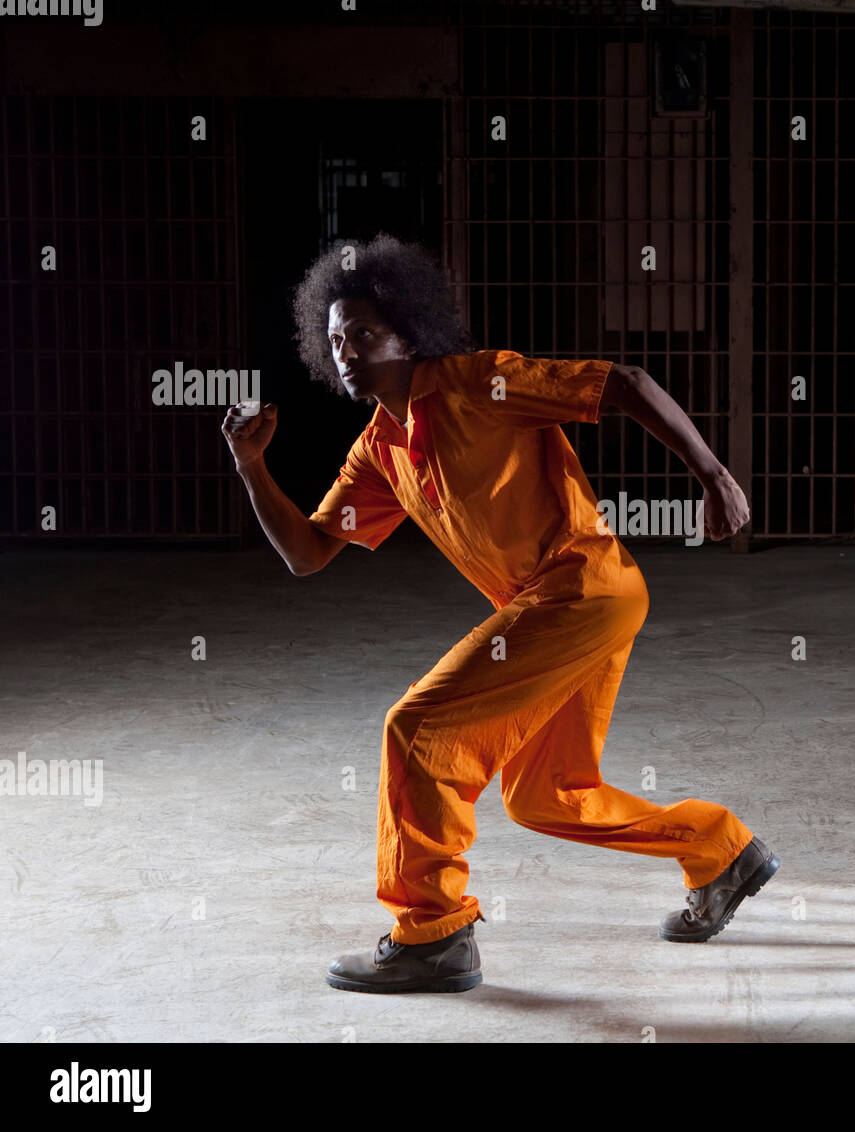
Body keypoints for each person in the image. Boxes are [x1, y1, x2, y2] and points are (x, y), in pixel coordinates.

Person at [221, 233, 779, 993]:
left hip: (580, 589)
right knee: (546, 795)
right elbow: (308, 553)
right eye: (334, 340)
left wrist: (712, 475)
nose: (346, 351)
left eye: (363, 334)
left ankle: (433, 934)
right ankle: (719, 846)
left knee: (418, 730)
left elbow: (622, 381)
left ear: (408, 332)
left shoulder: (478, 383)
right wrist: (253, 469)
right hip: (583, 606)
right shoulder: (380, 448)